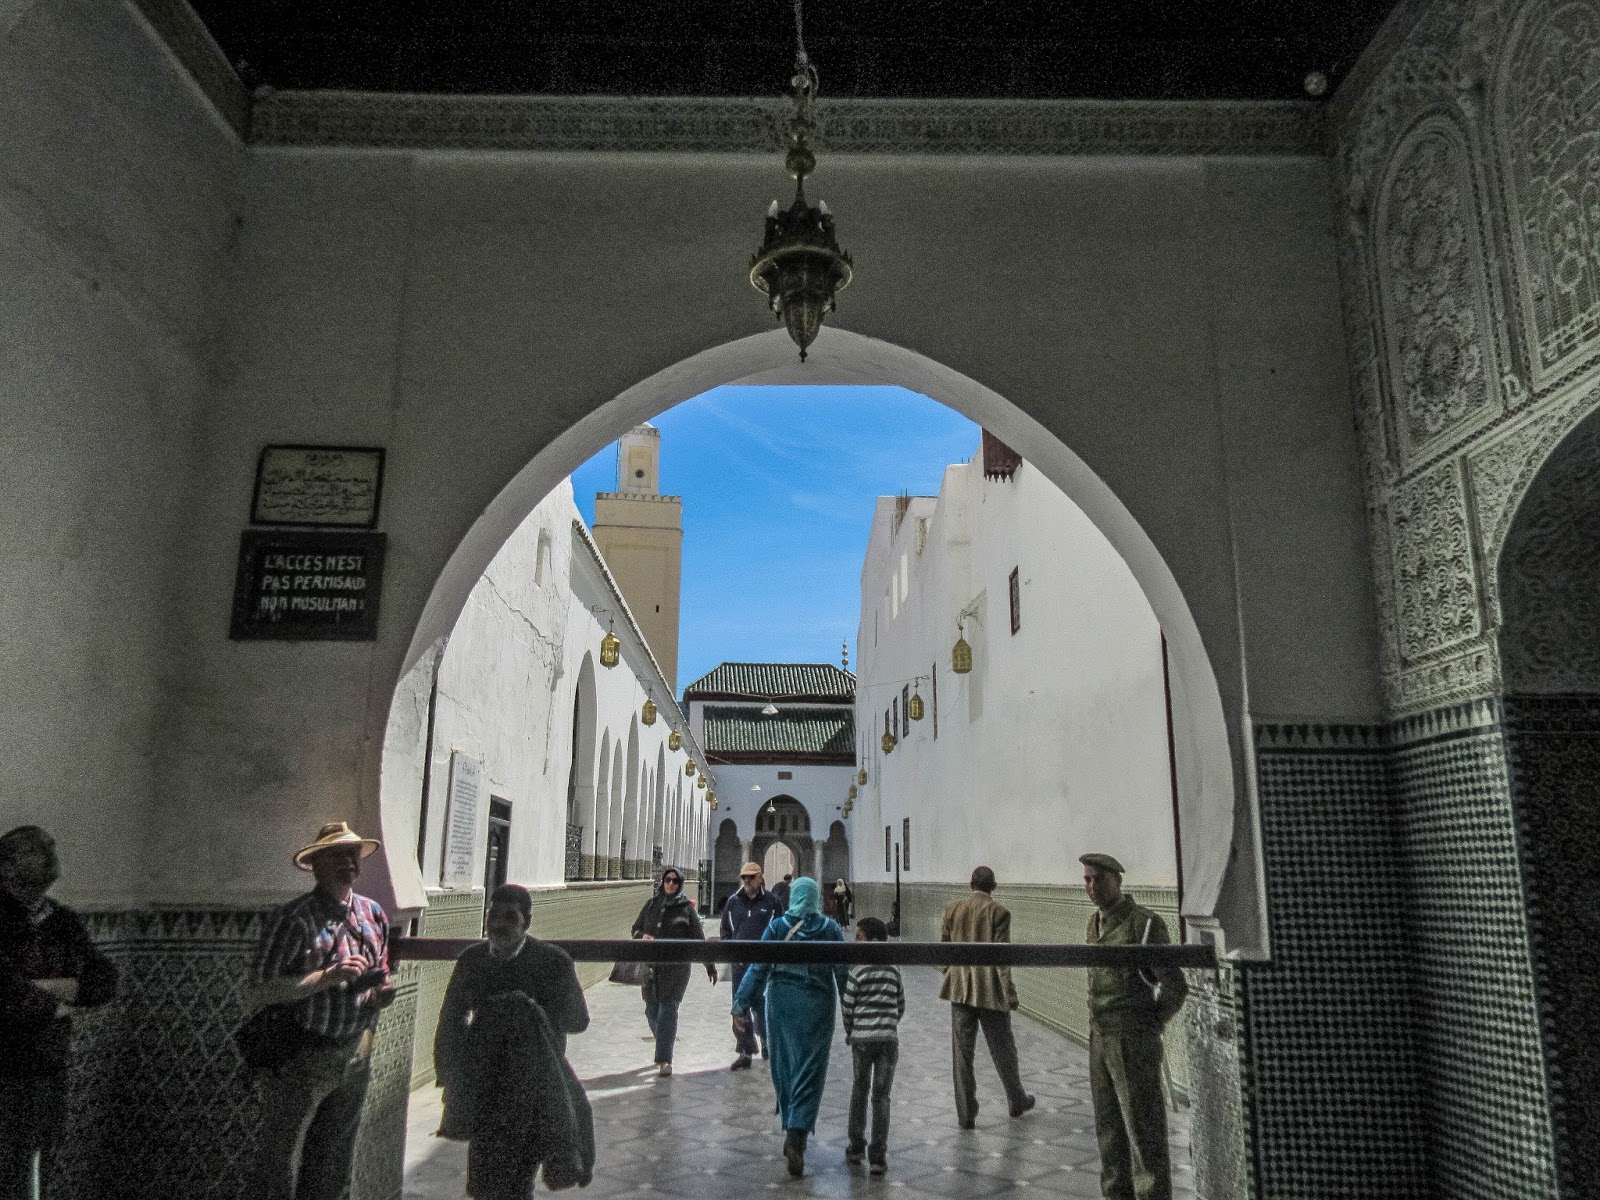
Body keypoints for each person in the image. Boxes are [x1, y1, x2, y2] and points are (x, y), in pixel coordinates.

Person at [247, 821, 395, 1200]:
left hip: (354, 1051)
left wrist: (381, 990)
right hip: (303, 1056)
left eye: (352, 854)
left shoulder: (372, 913)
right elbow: (261, 991)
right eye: (336, 856)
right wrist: (327, 977)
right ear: (316, 865)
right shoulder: (293, 919)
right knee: (280, 1157)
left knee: (334, 1157)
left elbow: (383, 972)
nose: (347, 862)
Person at [435, 883, 595, 1196]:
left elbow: (578, 1020)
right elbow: (451, 1019)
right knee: (483, 1181)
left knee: (519, 1178)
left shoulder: (553, 962)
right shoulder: (473, 960)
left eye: (510, 917)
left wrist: (525, 1017)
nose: (499, 925)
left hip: (535, 1085)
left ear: (526, 922)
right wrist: (451, 1078)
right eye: (493, 916)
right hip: (487, 1085)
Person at [0, 826, 118, 1200]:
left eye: (49, 848)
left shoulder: (62, 921)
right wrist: (56, 1002)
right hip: (5, 1064)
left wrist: (55, 992)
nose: (48, 854)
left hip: (46, 1064)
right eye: (33, 850)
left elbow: (103, 980)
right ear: (5, 866)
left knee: (35, 1167)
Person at [1081, 853, 1189, 1200]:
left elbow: (1174, 986)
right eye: (1087, 880)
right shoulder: (1093, 924)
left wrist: (1150, 1024)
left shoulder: (1144, 925)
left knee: (1143, 1132)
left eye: (1099, 879)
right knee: (1109, 1131)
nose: (1092, 887)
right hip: (1099, 1036)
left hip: (1132, 1037)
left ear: (1118, 880)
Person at [731, 876, 846, 1178]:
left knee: (784, 1066)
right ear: (816, 898)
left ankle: (791, 1124)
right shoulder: (830, 929)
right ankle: (798, 1133)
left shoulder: (778, 927)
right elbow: (843, 973)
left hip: (781, 1005)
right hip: (818, 1006)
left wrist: (740, 1003)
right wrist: (851, 1010)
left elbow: (759, 967)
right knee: (811, 1068)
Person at [940, 865, 1035, 1129]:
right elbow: (1001, 956)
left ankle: (966, 1113)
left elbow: (944, 948)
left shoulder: (952, 910)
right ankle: (1016, 1099)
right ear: (994, 886)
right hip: (990, 989)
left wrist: (953, 974)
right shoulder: (999, 912)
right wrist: (1009, 991)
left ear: (971, 884)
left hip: (959, 988)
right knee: (1003, 1047)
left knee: (962, 1053)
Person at [631, 866, 714, 1077]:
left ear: (680, 884)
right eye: (667, 880)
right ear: (662, 882)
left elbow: (699, 939)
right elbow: (635, 928)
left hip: (676, 970)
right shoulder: (651, 905)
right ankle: (663, 1044)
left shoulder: (686, 909)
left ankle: (665, 1059)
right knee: (651, 1010)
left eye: (675, 881)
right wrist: (642, 936)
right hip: (651, 969)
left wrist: (709, 965)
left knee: (668, 1010)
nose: (670, 884)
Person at [841, 916, 903, 1175]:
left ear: (872, 940)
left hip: (862, 1040)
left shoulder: (858, 972)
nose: (856, 942)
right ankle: (878, 1156)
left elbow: (848, 1007)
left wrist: (851, 1031)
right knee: (882, 1096)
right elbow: (900, 1005)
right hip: (888, 1041)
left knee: (859, 1090)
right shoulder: (894, 970)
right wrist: (887, 1023)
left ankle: (856, 1147)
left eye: (859, 938)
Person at [719, 861, 782, 1070]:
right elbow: (726, 931)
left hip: (764, 966)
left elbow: (780, 930)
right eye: (744, 877)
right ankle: (745, 1051)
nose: (747, 881)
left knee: (762, 1006)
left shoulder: (772, 902)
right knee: (740, 1007)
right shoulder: (733, 902)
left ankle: (766, 1042)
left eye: (751, 877)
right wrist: (732, 951)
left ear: (760, 877)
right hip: (740, 965)